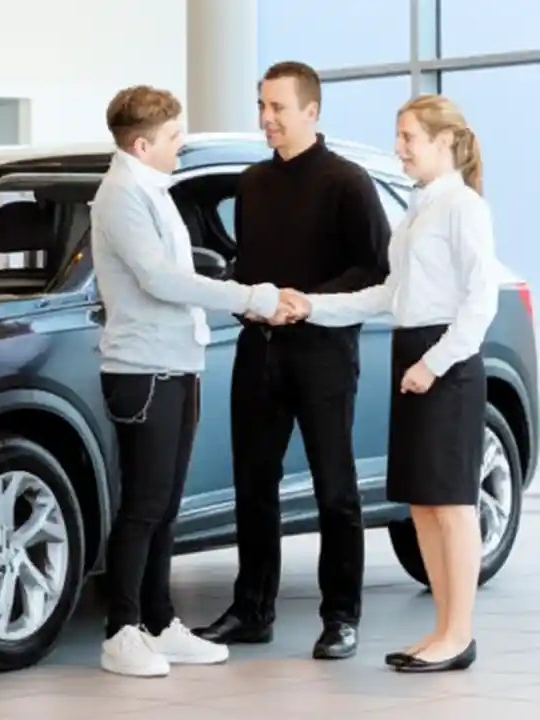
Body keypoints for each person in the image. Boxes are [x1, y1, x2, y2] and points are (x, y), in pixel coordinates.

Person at [279, 93, 495, 673]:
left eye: (409, 139)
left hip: (443, 360)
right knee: (422, 502)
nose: (398, 149)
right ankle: (442, 632)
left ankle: (459, 633)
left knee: (451, 504)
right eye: (398, 137)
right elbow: (387, 295)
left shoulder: (463, 207)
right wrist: (315, 306)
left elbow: (481, 300)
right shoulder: (418, 208)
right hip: (413, 351)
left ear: (444, 142)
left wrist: (435, 363)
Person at [90, 84, 298, 678]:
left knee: (167, 506)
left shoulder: (152, 189)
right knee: (144, 505)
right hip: (144, 370)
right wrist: (252, 297)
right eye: (174, 138)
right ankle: (121, 630)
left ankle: (157, 623)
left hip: (177, 363)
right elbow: (162, 280)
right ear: (142, 142)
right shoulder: (123, 196)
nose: (180, 147)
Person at [192, 61, 392, 660]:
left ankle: (341, 616)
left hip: (325, 354)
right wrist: (244, 300)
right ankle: (252, 609)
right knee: (253, 486)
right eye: (261, 105)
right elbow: (248, 264)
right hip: (259, 352)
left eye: (277, 107)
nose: (266, 118)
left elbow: (375, 269)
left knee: (335, 489)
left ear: (311, 111)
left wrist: (314, 304)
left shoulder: (348, 182)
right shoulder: (251, 184)